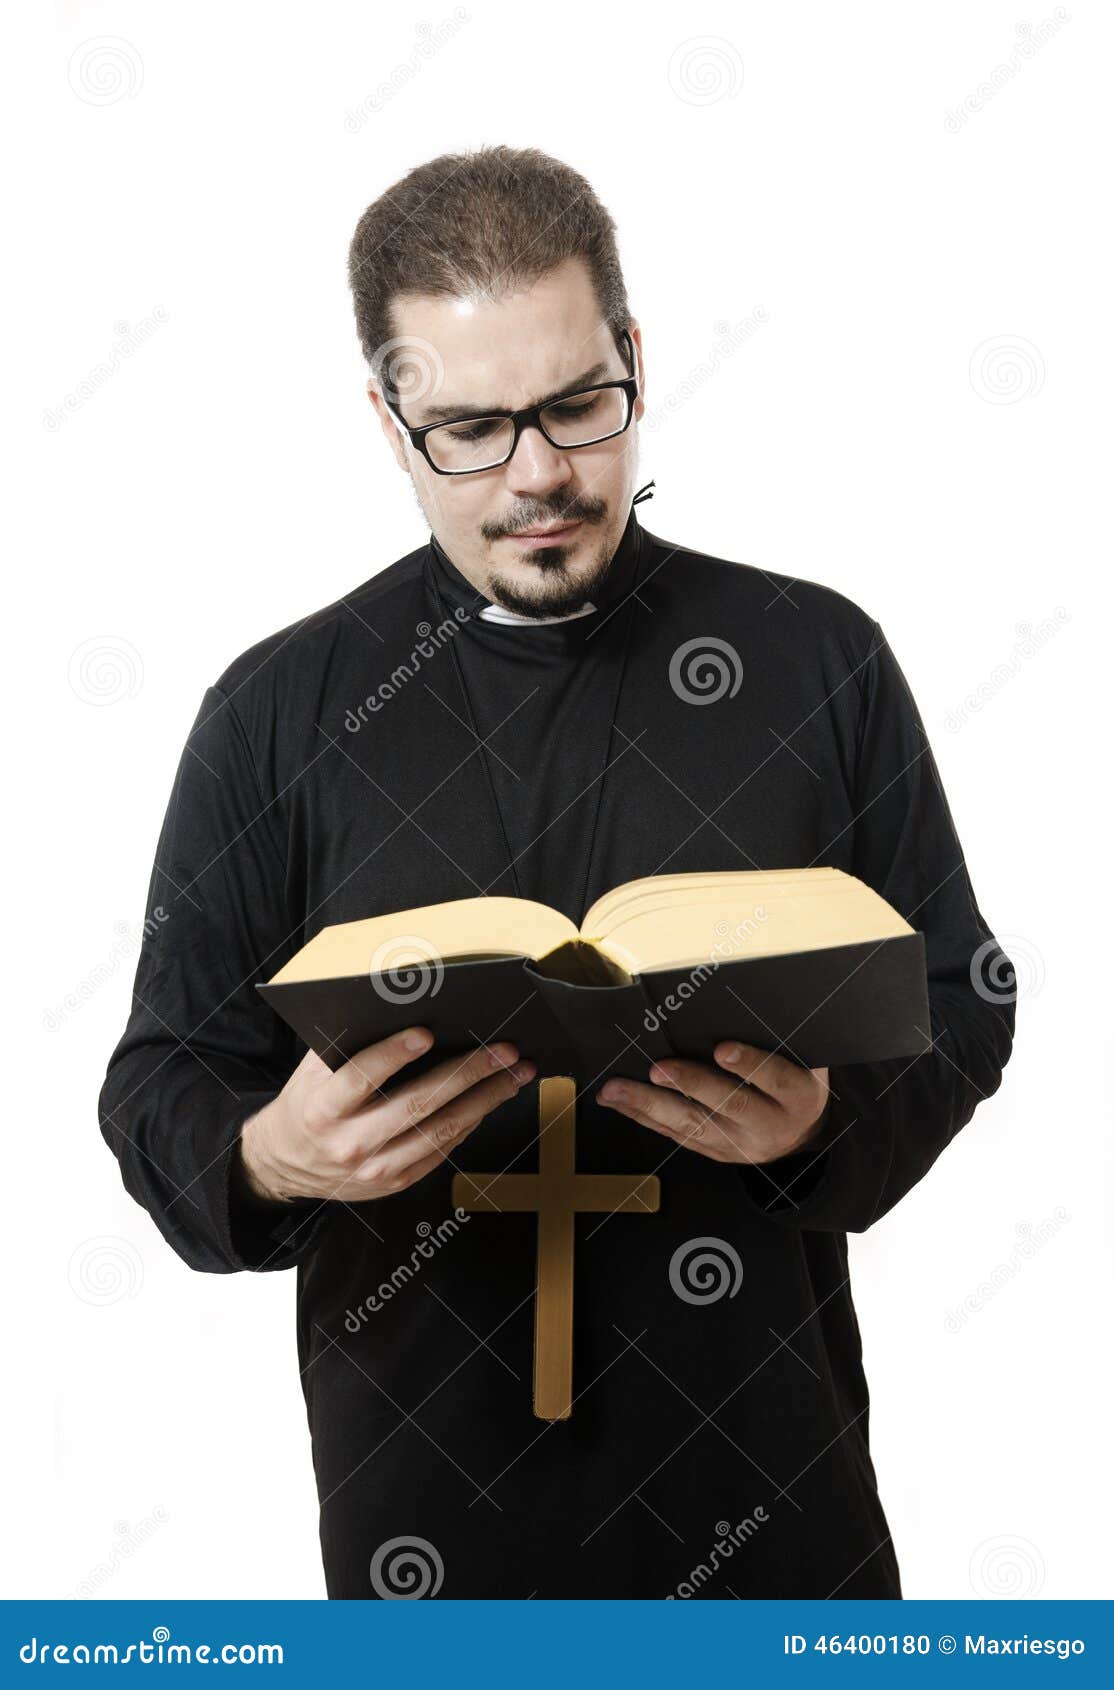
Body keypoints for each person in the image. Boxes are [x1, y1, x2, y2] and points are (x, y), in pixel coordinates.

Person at [99, 144, 1015, 1600]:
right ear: (390, 422)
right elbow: (160, 1075)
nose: (538, 473)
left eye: (577, 406)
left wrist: (824, 1120)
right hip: (426, 1526)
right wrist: (272, 1154)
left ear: (634, 359)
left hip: (771, 1503)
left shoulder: (812, 659)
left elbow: (967, 994)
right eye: (468, 426)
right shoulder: (275, 712)